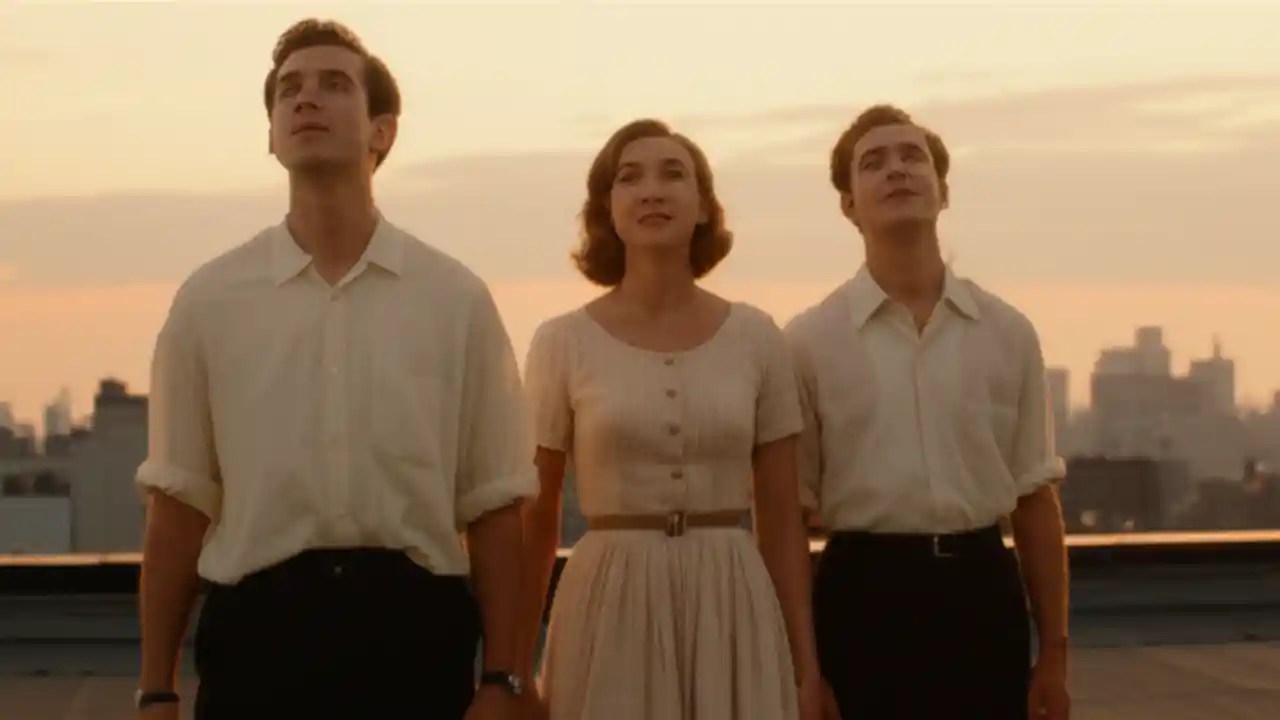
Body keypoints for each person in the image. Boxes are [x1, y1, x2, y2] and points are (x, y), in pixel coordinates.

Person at [133, 18, 534, 720]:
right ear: (270, 135)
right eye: (289, 90)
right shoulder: (209, 301)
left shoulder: (454, 298)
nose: (305, 100)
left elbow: (495, 503)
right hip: (259, 642)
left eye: (333, 85)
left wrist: (503, 679)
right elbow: (178, 507)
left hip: (414, 639)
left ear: (382, 131)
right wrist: (156, 690)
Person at [517, 119, 823, 719]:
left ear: (705, 207)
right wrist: (514, 670)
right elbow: (537, 518)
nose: (652, 191)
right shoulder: (561, 342)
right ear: (607, 209)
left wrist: (805, 669)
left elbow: (782, 523)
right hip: (609, 601)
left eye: (673, 174)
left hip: (733, 598)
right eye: (630, 178)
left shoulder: (758, 337)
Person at [785, 104, 1072, 720]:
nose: (898, 171)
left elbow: (1034, 500)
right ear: (848, 204)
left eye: (913, 157)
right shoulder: (808, 342)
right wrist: (804, 670)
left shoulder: (1007, 331)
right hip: (860, 597)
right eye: (874, 162)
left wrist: (1053, 655)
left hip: (981, 593)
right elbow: (785, 518)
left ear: (943, 192)